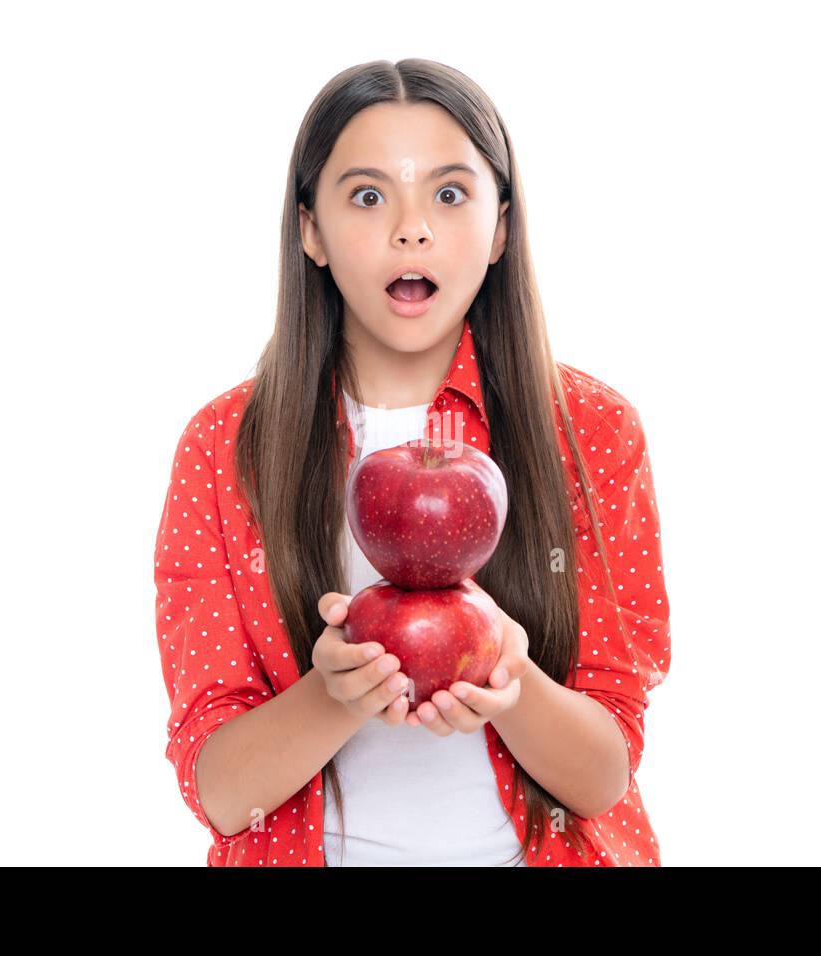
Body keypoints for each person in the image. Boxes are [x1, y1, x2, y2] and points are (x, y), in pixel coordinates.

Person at [152, 58, 672, 867]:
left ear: (502, 226)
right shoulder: (227, 449)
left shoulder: (592, 433)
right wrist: (334, 695)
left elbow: (604, 777)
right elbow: (222, 794)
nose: (411, 228)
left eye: (450, 193)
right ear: (310, 230)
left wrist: (509, 674)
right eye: (367, 195)